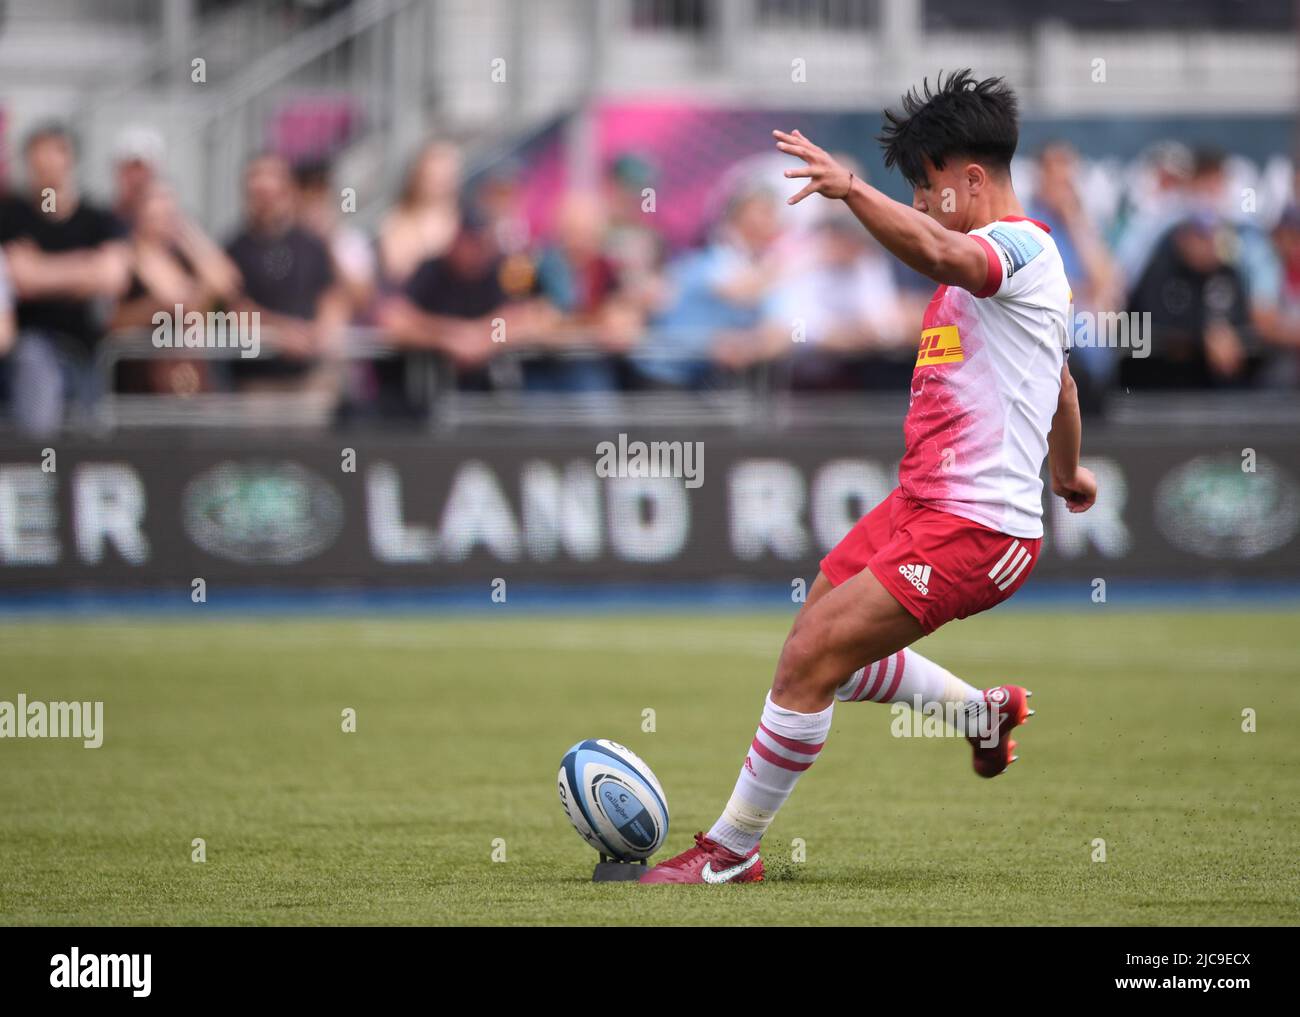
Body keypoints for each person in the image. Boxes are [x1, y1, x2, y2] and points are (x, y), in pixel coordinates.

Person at [641, 70, 1097, 885]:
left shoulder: (1019, 249)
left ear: (972, 179)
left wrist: (850, 190)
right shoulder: (996, 275)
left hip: (977, 526)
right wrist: (1069, 472)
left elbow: (941, 247)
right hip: (917, 505)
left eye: (927, 186)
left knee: (809, 657)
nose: (922, 203)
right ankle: (978, 711)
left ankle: (727, 851)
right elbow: (1059, 382)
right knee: (822, 644)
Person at [0, 123, 131, 436]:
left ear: (70, 158)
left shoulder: (97, 218)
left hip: (85, 345)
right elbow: (18, 277)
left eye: (54, 152)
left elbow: (113, 277)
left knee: (91, 434)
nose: (45, 162)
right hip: (29, 344)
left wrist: (42, 268)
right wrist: (86, 268)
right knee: (37, 382)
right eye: (38, 153)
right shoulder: (10, 216)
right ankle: (41, 469)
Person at [224, 152, 349, 393]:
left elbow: (333, 294)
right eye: (260, 194)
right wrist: (282, 335)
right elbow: (235, 309)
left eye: (274, 192)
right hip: (259, 379)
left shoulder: (312, 243)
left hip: (312, 377)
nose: (267, 201)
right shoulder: (235, 249)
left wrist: (325, 329)